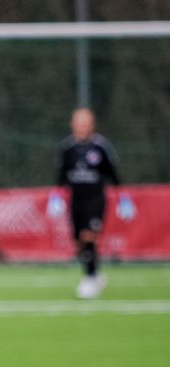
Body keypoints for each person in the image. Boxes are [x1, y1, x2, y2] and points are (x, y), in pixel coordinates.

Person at [55, 107, 122, 299]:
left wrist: (123, 197)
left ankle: (90, 278)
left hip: (96, 199)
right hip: (76, 200)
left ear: (91, 125)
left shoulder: (101, 147)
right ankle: (95, 273)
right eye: (78, 123)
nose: (81, 127)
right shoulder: (67, 148)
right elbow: (61, 176)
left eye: (84, 123)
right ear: (72, 125)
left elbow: (113, 175)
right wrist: (57, 197)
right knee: (78, 241)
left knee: (88, 235)